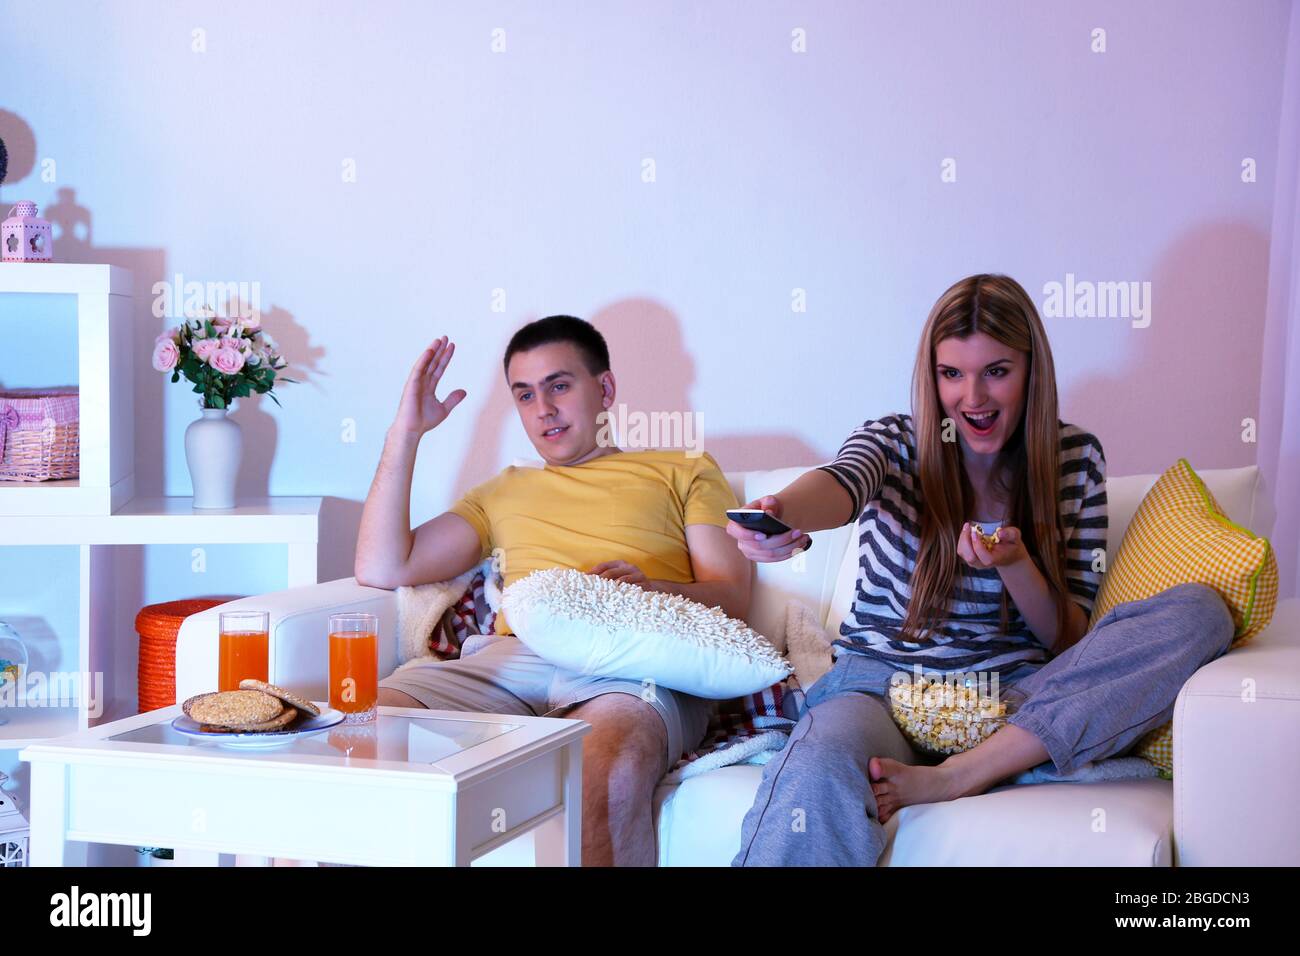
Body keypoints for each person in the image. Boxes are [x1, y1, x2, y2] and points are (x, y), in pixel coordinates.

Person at [726, 274, 1235, 866]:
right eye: (952, 374)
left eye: (996, 371)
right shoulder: (895, 441)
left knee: (1201, 612)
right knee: (812, 766)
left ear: (1031, 371)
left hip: (1012, 704)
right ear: (932, 376)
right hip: (881, 689)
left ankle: (959, 775)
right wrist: (783, 514)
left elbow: (1071, 640)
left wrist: (1016, 563)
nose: (973, 397)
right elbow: (840, 485)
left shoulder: (1076, 459)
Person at [354, 315, 749, 866]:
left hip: (631, 663)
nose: (543, 409)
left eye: (559, 385)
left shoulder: (681, 470)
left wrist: (652, 589)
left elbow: (733, 596)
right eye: (524, 394)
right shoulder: (501, 491)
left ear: (604, 389)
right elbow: (382, 565)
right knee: (353, 733)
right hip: (510, 660)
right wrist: (407, 432)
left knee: (599, 770)